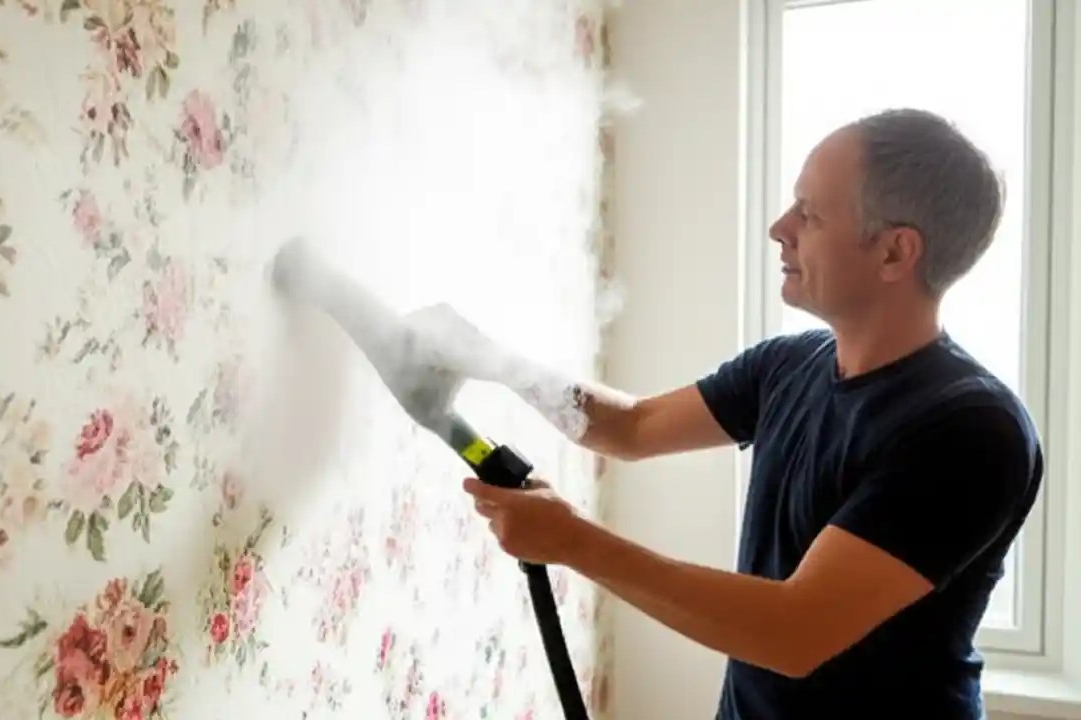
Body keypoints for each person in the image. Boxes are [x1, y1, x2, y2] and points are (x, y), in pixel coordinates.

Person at [424, 108, 1045, 719]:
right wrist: (491, 359)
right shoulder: (789, 365)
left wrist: (571, 540)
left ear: (894, 253)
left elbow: (796, 632)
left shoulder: (970, 431)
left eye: (810, 214)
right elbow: (629, 428)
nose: (780, 228)